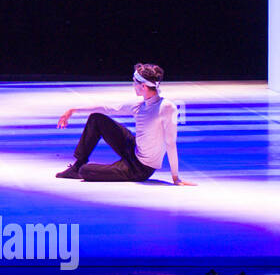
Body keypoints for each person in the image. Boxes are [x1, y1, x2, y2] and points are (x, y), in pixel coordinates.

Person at [55, 63, 195, 185]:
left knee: (85, 171)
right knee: (96, 118)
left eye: (135, 82)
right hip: (134, 149)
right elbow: (107, 108)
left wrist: (176, 177)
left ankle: (80, 169)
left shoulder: (166, 107)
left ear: (144, 86)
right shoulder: (140, 105)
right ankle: (76, 166)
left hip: (139, 168)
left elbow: (170, 143)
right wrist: (73, 110)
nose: (133, 85)